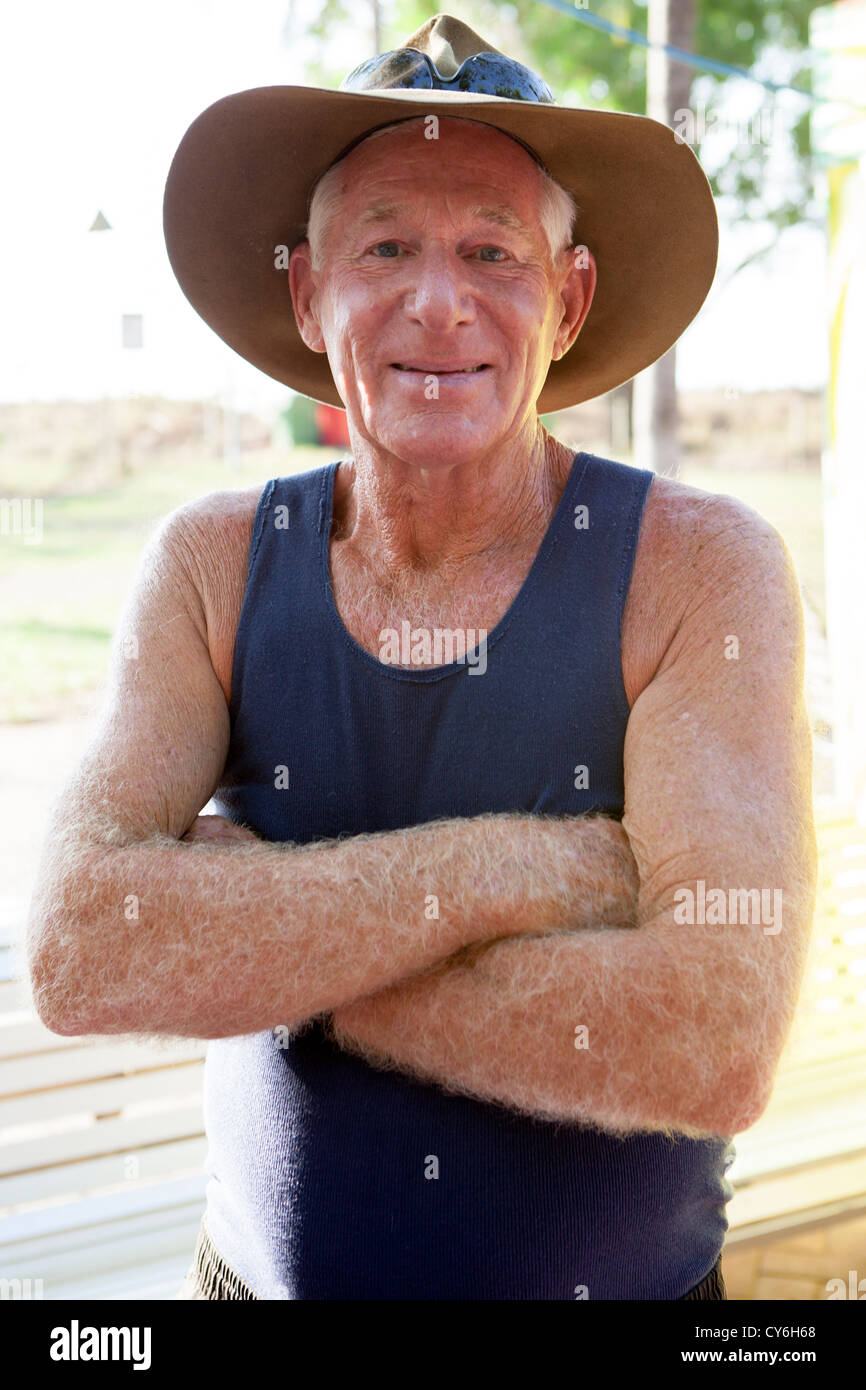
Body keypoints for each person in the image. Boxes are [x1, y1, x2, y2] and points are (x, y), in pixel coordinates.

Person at [26, 14, 816, 1300]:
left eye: (490, 251)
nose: (436, 300)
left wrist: (274, 950)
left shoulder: (696, 567)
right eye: (384, 244)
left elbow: (712, 1039)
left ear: (565, 303)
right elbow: (78, 945)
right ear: (308, 291)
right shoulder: (211, 563)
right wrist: (526, 866)